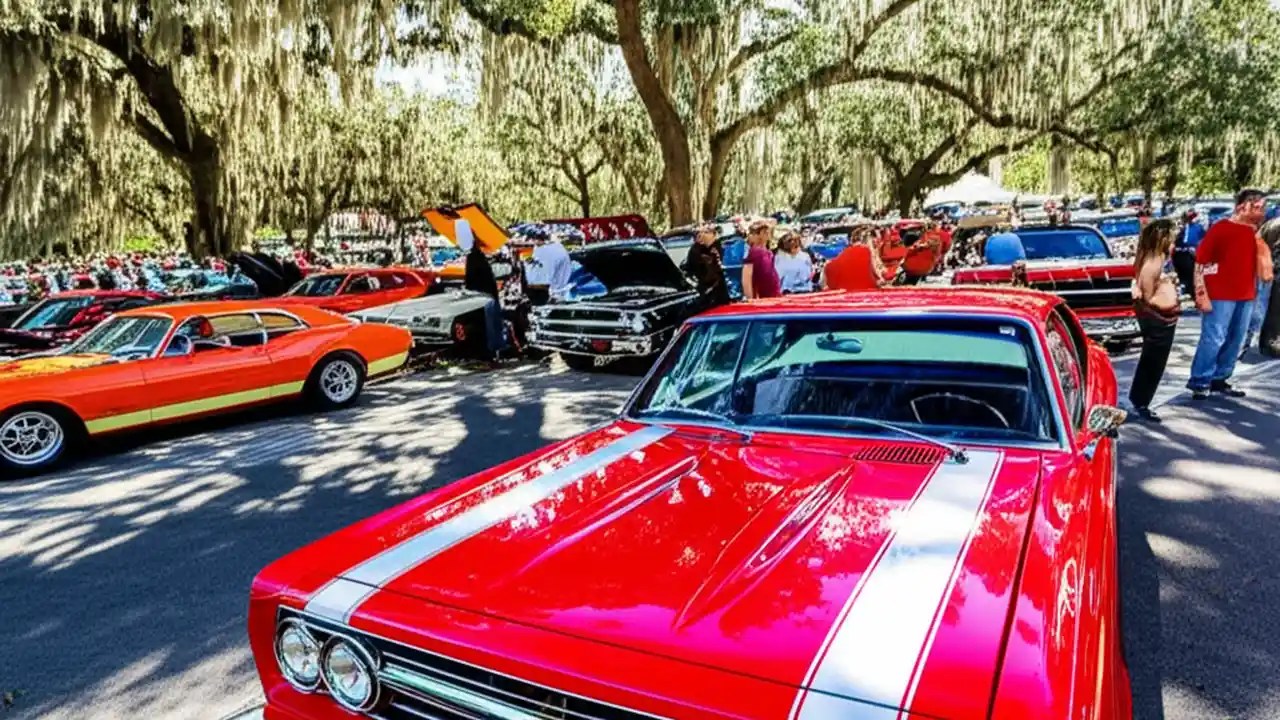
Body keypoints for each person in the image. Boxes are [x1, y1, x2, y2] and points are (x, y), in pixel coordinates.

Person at [1186, 188, 1265, 399]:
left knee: (1236, 338)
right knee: (1214, 337)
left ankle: (1220, 377)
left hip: (1246, 293)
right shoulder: (1221, 228)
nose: (1261, 212)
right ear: (1243, 206)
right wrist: (1200, 292)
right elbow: (1200, 261)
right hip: (1220, 293)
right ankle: (1200, 379)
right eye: (1257, 207)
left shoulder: (1253, 232)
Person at [1128, 219, 1181, 422]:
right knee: (1153, 362)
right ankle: (1141, 401)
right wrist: (1165, 299)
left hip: (1161, 318)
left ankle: (1140, 399)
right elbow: (1148, 297)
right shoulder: (1153, 263)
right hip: (1157, 320)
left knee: (1153, 361)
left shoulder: (1155, 259)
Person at [459, 219, 507, 360]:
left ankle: (489, 351)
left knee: (487, 327)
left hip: (481, 298)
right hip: (486, 297)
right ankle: (492, 350)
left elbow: (472, 280)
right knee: (490, 326)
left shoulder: (473, 259)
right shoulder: (478, 258)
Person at [1243, 216, 1280, 356]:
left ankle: (1264, 342)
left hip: (1265, 271)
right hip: (1273, 272)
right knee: (1273, 309)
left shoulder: (1272, 223)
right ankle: (1271, 342)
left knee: (1266, 308)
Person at [686, 224, 730, 308]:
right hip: (703, 292)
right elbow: (690, 268)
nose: (702, 235)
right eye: (700, 232)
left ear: (713, 235)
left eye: (706, 232)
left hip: (720, 292)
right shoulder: (696, 249)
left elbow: (720, 268)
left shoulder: (721, 248)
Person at [741, 217, 782, 300]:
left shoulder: (769, 252)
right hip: (761, 296)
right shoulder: (752, 252)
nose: (767, 233)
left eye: (768, 231)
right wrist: (750, 298)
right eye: (763, 232)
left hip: (773, 294)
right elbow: (746, 277)